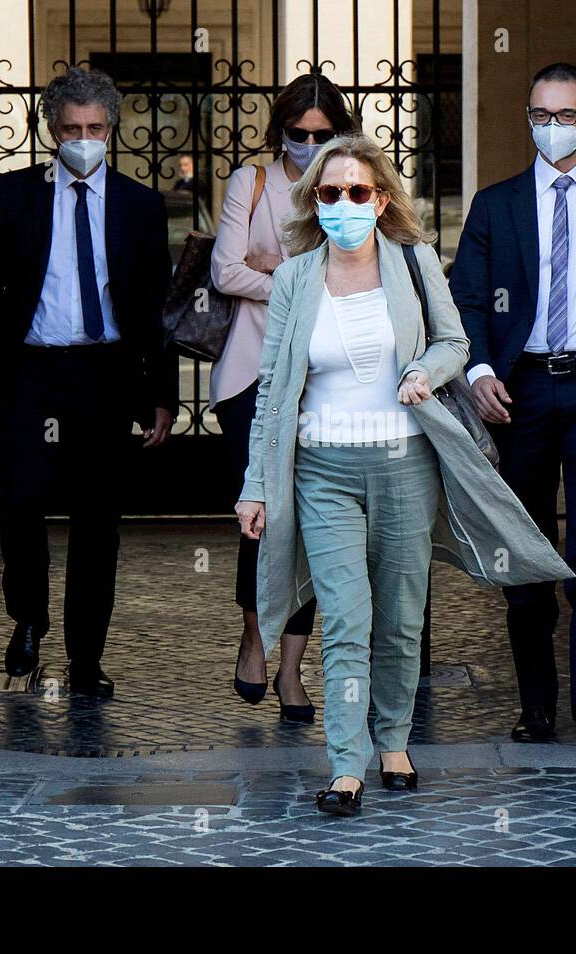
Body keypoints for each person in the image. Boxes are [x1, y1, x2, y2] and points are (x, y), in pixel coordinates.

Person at [235, 133, 572, 815]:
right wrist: (254, 482)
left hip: (404, 466)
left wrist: (425, 370)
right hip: (321, 470)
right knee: (346, 617)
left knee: (397, 620)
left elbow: (456, 342)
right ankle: (346, 765)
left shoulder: (413, 263)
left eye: (358, 192)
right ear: (314, 200)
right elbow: (272, 386)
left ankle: (394, 740)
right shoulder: (299, 274)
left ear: (381, 198)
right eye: (330, 193)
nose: (344, 204)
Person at [450, 63, 576, 748]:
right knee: (527, 547)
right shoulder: (495, 205)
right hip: (523, 393)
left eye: (565, 116)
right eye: (540, 116)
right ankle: (536, 704)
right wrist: (478, 370)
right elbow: (469, 301)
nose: (551, 128)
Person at [0, 67, 175, 697]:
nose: (83, 139)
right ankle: (28, 618)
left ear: (111, 129)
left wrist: (161, 395)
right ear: (50, 131)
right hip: (31, 372)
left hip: (104, 374)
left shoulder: (141, 206)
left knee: (97, 521)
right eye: (70, 129)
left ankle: (87, 659)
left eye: (94, 128)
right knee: (24, 502)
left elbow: (155, 308)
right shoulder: (15, 196)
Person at [212, 73, 357, 721]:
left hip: (328, 380)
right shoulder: (255, 183)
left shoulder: (353, 190)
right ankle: (253, 636)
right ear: (281, 131)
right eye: (296, 134)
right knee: (263, 519)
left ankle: (293, 671)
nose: (307, 144)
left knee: (313, 529)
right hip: (253, 376)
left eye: (321, 136)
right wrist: (302, 282)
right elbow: (225, 269)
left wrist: (273, 271)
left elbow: (363, 273)